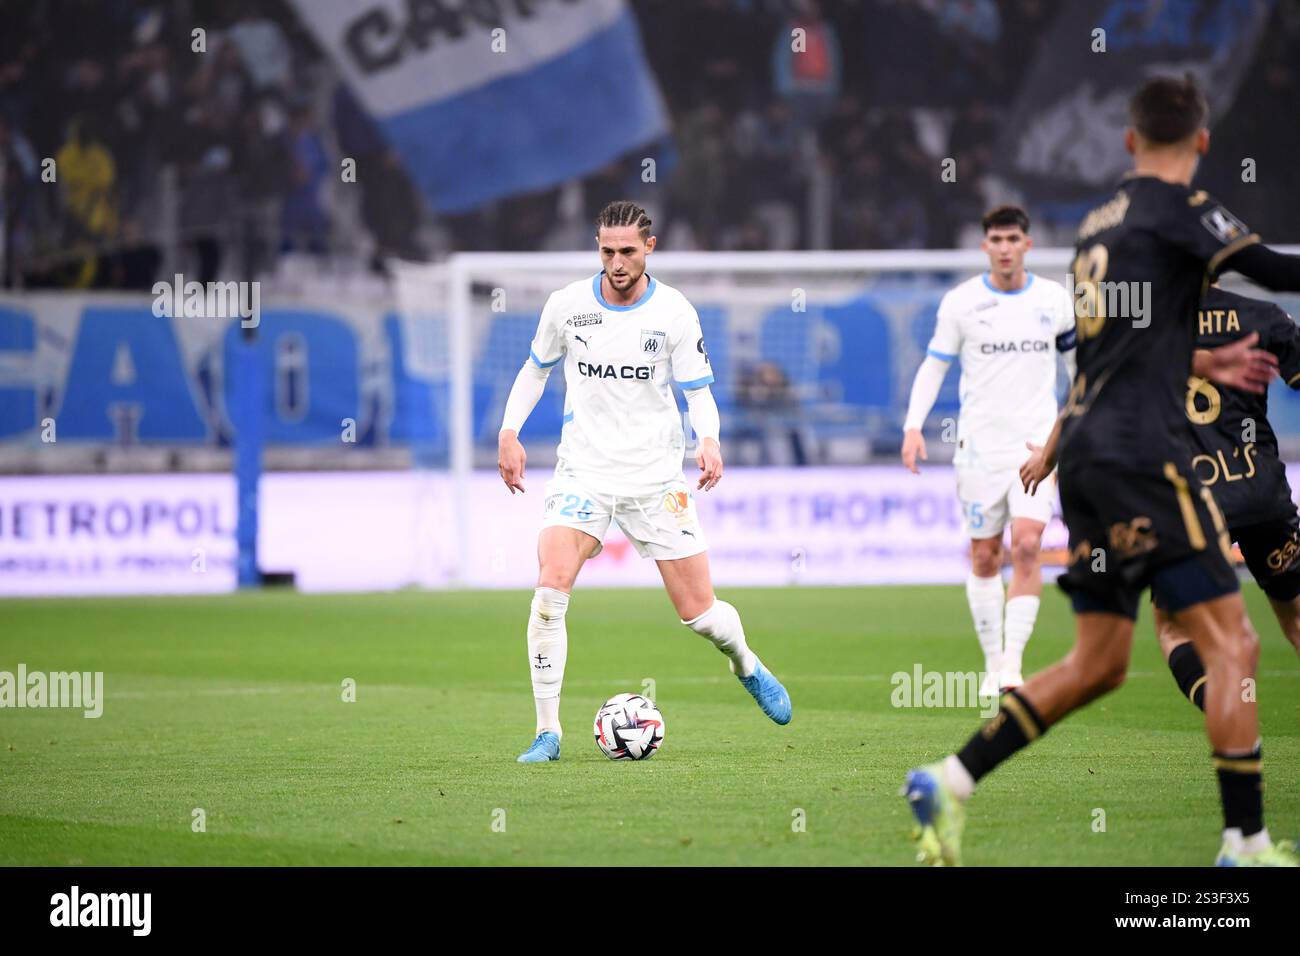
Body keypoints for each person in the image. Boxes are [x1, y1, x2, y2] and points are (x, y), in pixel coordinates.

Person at [903, 75, 1300, 866]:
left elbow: (1110, 350)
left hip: (1085, 456)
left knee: (1100, 664)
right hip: (1143, 458)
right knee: (1235, 646)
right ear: (1203, 142)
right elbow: (1273, 269)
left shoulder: (1096, 228)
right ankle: (1246, 841)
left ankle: (950, 779)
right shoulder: (1180, 210)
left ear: (1127, 141)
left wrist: (1191, 359)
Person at [497, 200, 792, 764]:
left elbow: (698, 391)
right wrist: (510, 432)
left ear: (649, 248)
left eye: (627, 251)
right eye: (607, 251)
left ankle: (747, 664)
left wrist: (709, 439)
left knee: (700, 615)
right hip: (582, 472)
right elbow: (535, 371)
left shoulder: (675, 313)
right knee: (548, 594)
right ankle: (547, 732)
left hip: (656, 477)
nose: (616, 262)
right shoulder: (567, 306)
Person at [902, 205, 1075, 695]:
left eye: (1013, 239)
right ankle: (993, 661)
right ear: (984, 246)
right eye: (995, 239)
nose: (1004, 248)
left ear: (1027, 244)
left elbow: (1080, 371)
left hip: (1036, 448)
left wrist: (1071, 433)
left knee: (1025, 546)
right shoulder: (960, 303)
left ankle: (1013, 668)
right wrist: (914, 426)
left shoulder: (1053, 300)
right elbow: (934, 366)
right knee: (983, 556)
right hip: (977, 448)